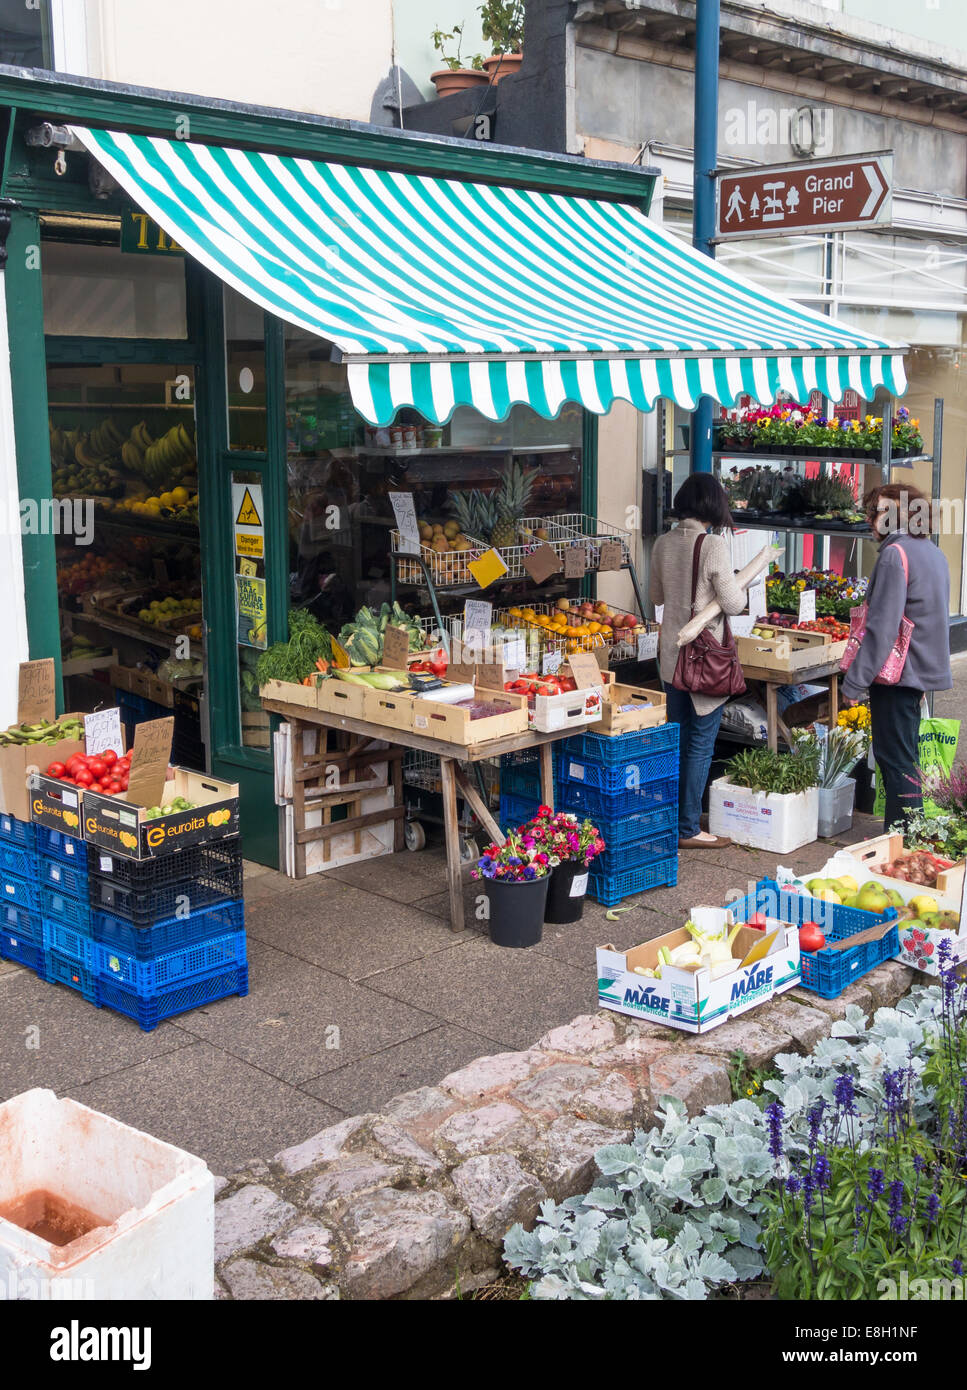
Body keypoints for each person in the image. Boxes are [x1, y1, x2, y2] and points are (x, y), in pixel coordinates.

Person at [841, 481, 952, 832]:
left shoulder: (894, 554)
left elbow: (882, 628)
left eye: (875, 514)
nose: (871, 522)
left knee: (896, 762)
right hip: (919, 672)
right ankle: (906, 838)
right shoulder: (933, 552)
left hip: (896, 675)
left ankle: (903, 843)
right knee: (906, 759)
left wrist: (854, 682)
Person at [650, 473, 747, 848]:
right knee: (701, 742)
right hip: (705, 659)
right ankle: (689, 827)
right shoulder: (713, 545)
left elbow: (657, 596)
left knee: (676, 737)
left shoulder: (661, 543)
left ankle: (670, 819)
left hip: (671, 657)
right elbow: (734, 603)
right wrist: (741, 582)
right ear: (713, 505)